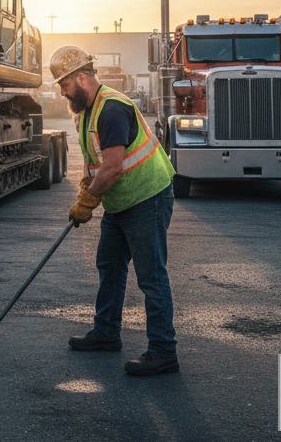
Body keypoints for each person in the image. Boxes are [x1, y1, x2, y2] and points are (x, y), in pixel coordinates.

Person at [50, 45, 180, 376]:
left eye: (65, 85)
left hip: (147, 197)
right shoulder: (87, 112)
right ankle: (106, 333)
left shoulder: (111, 109)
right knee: (109, 265)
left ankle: (163, 351)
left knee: (151, 277)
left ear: (81, 78)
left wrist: (87, 203)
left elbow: (111, 168)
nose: (63, 92)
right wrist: (85, 188)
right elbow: (95, 164)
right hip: (121, 201)